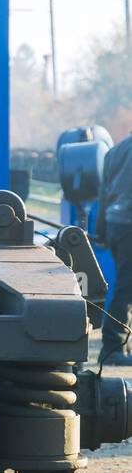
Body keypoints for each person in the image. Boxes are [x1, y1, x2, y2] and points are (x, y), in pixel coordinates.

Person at [97, 131, 132, 363]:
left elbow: (104, 194)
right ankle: (112, 348)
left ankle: (115, 346)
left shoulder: (116, 151)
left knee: (124, 284)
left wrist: (101, 230)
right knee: (126, 286)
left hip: (115, 224)